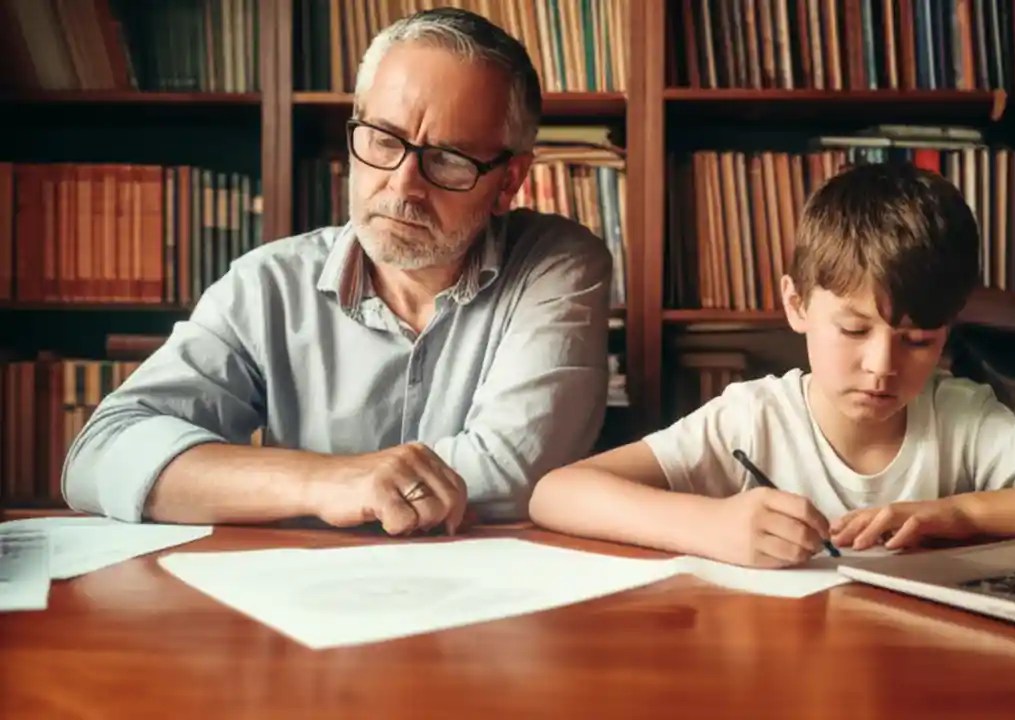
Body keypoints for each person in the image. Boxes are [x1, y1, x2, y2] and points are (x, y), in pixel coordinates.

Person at [63, 8, 613, 535]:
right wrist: (322, 481)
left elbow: (516, 475)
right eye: (383, 139)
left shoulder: (558, 264)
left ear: (509, 182)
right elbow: (102, 454)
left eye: (447, 158)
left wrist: (269, 483)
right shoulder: (267, 285)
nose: (402, 187)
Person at [530, 163, 1015, 568]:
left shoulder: (960, 418)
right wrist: (710, 525)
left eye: (918, 340)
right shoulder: (751, 420)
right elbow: (557, 493)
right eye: (855, 329)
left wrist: (962, 513)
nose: (883, 365)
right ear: (796, 304)